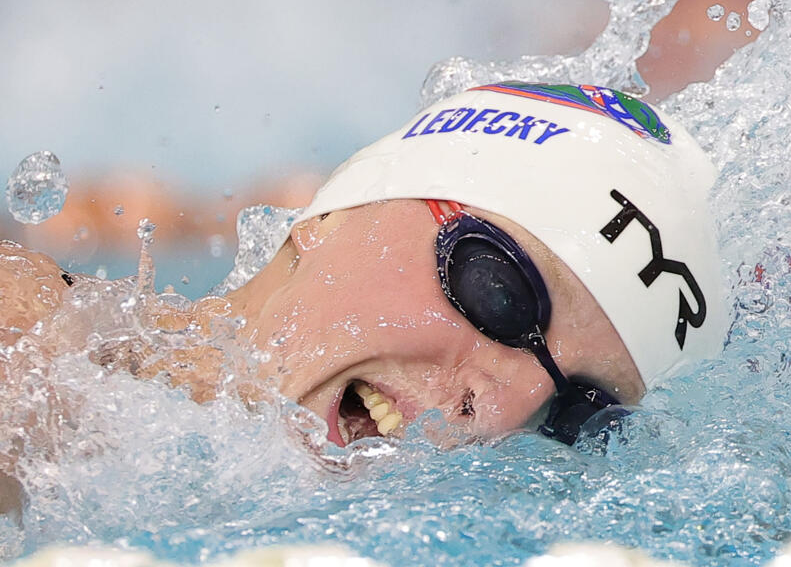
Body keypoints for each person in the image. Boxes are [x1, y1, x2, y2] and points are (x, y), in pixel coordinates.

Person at [0, 82, 728, 470]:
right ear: (332, 212)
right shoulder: (31, 343)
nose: (504, 413)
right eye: (501, 293)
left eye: (577, 414)